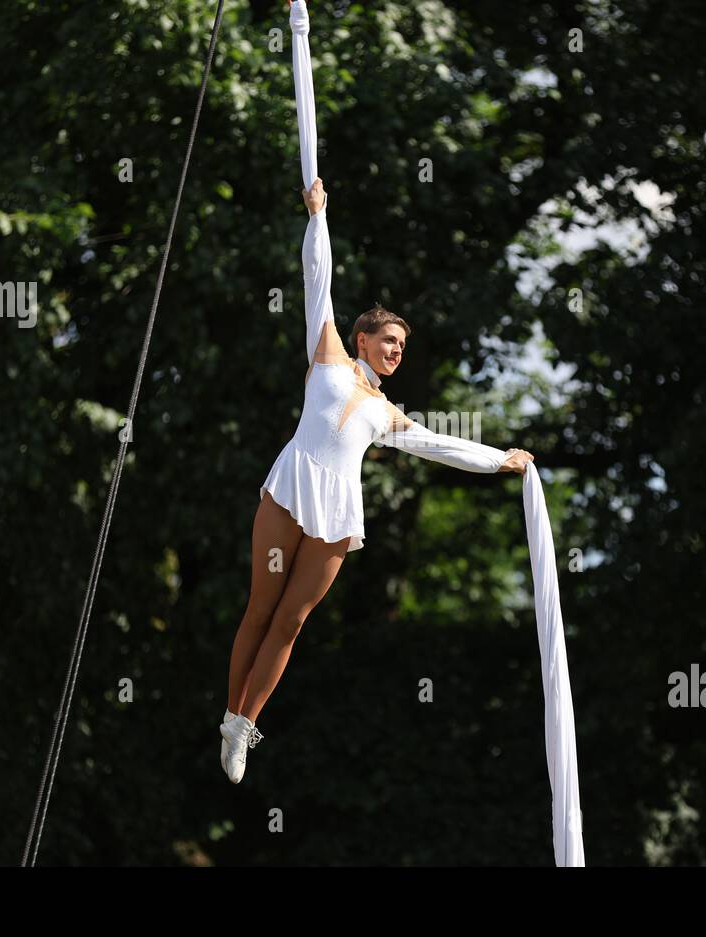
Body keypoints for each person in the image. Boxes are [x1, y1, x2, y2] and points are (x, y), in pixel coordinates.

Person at [219, 0, 534, 783]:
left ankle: (246, 726)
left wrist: (501, 460)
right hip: (292, 489)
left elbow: (439, 444)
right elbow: (315, 275)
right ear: (364, 337)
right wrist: (318, 214)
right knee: (261, 608)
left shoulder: (388, 412)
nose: (397, 351)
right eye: (390, 340)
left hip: (337, 513)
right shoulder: (326, 351)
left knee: (293, 620)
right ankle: (231, 719)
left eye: (403, 347)